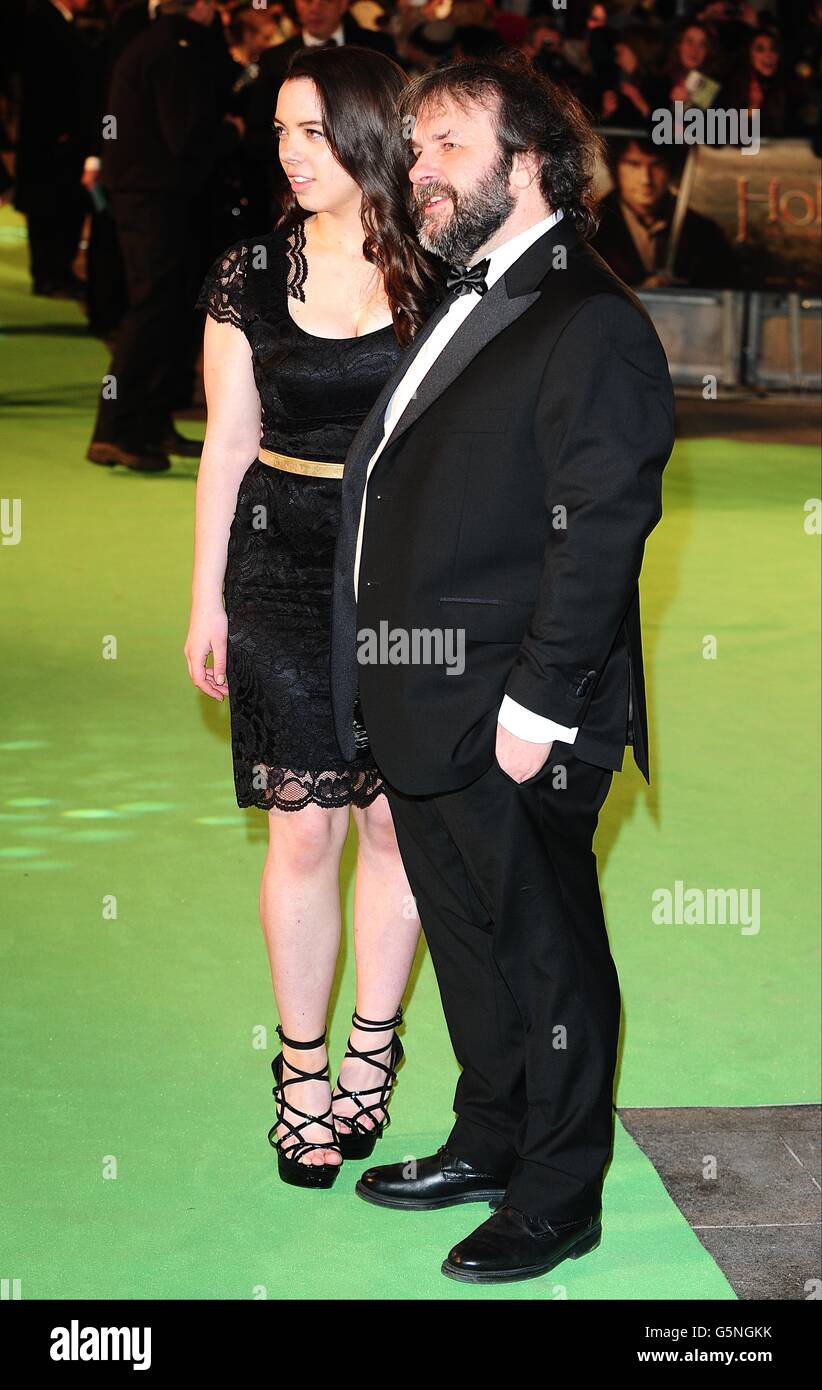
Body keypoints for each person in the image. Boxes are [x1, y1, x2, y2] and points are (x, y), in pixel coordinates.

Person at [330, 52, 675, 1283]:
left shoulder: (592, 320)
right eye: (417, 145)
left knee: (546, 951)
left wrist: (540, 703)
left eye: (449, 147)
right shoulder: (470, 290)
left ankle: (560, 1190)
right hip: (427, 693)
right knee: (470, 942)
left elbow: (603, 528)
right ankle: (490, 1137)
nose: (418, 168)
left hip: (516, 705)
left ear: (529, 164)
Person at [185, 45, 443, 1190]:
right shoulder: (246, 274)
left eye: (313, 131)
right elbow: (227, 446)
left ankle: (372, 1055)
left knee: (394, 824)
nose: (290, 153)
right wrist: (205, 598)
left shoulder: (442, 266)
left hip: (408, 575)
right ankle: (299, 1074)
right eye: (281, 132)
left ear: (371, 133)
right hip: (279, 566)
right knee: (304, 828)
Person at [86, 0, 241, 473]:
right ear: (202, 6)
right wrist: (231, 130)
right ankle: (114, 430)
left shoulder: (156, 41)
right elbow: (186, 133)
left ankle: (150, 423)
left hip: (151, 194)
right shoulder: (174, 48)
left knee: (168, 308)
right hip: (153, 198)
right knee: (152, 309)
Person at [243, 0, 397, 225]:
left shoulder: (377, 48)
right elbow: (255, 133)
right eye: (281, 131)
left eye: (313, 132)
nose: (315, 8)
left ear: (343, 4)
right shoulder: (274, 59)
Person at [592, 136, 739, 290]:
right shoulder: (592, 230)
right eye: (634, 164)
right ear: (616, 167)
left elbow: (726, 287)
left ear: (671, 168)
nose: (646, 179)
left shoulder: (705, 234)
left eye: (657, 165)